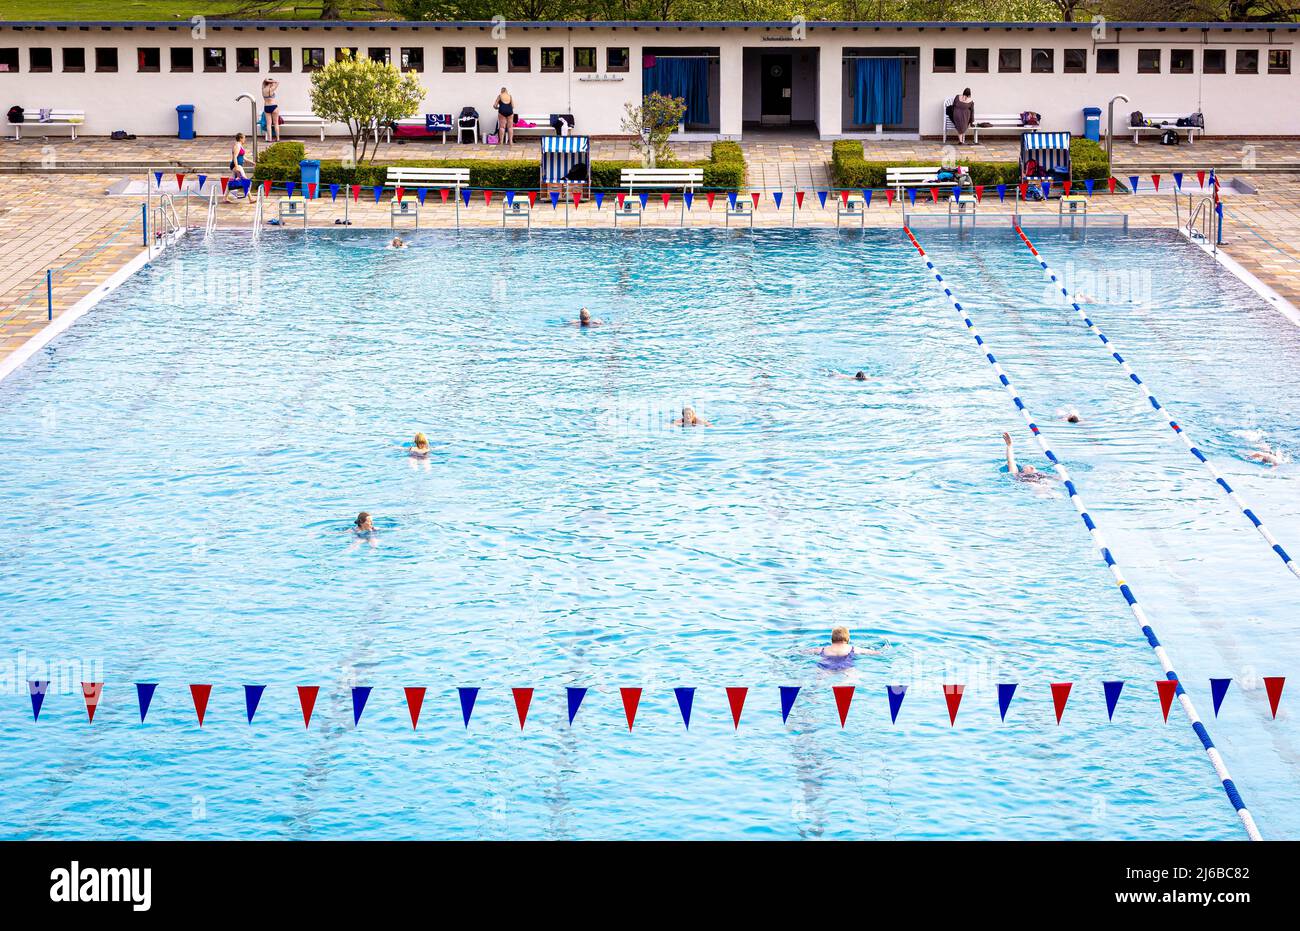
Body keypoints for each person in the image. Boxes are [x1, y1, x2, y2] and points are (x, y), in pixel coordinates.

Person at [813, 626, 881, 669]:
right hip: (846, 665)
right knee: (851, 678)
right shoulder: (853, 649)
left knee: (820, 677)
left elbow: (804, 652)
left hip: (826, 665)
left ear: (832, 639)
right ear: (848, 639)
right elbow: (873, 652)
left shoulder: (823, 649)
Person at [224, 133, 249, 204]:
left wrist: (252, 163)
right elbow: (235, 157)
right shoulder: (237, 146)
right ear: (240, 138)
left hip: (238, 165)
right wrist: (237, 166)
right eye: (244, 138)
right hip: (236, 165)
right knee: (245, 179)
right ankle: (250, 198)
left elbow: (243, 157)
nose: (245, 139)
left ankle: (225, 198)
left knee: (231, 182)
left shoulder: (240, 146)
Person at [261, 77, 280, 143]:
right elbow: (278, 82)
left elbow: (264, 81)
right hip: (274, 106)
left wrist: (267, 80)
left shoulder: (263, 89)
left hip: (266, 107)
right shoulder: (271, 89)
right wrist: (272, 81)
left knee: (268, 124)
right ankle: (277, 139)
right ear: (270, 83)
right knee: (276, 123)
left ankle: (270, 139)